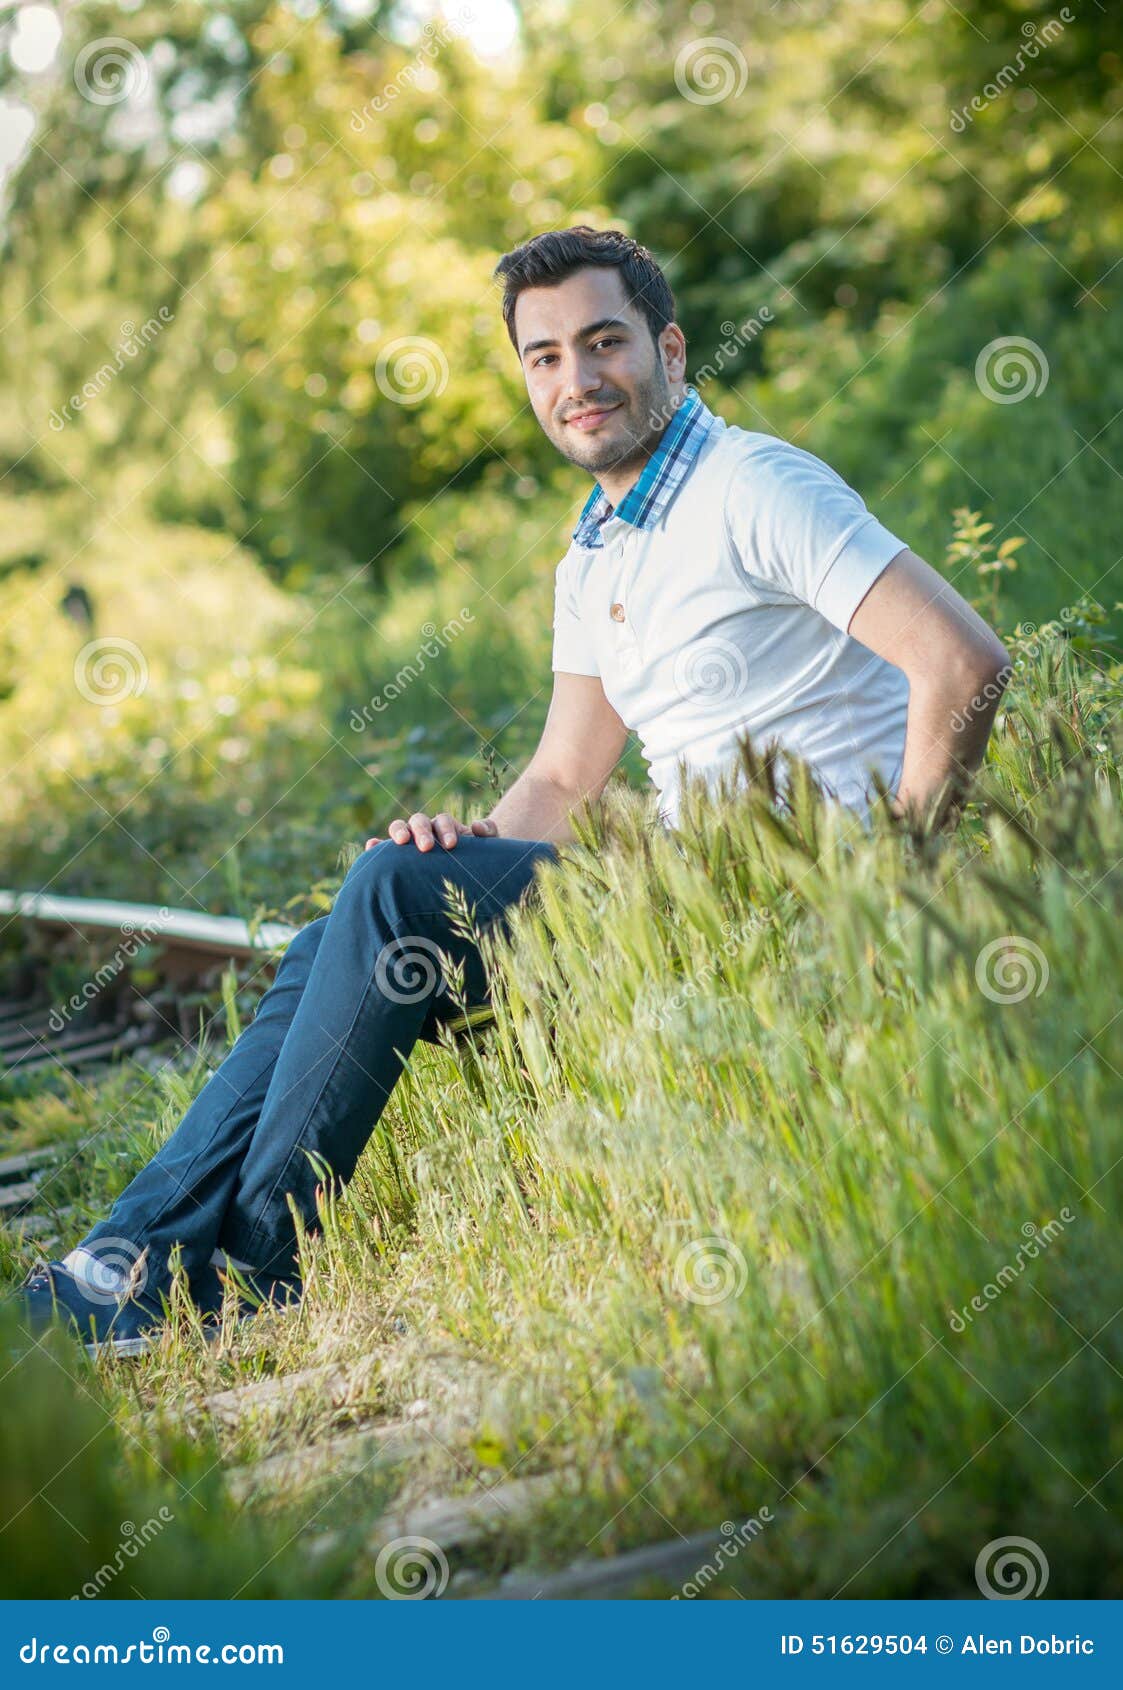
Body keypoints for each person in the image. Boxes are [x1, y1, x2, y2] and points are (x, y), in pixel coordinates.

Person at [17, 225, 1010, 1354]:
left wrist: (891, 890)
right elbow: (564, 776)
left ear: (669, 350)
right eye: (545, 356)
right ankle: (128, 1258)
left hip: (784, 913)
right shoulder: (595, 551)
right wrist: (465, 847)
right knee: (356, 915)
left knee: (386, 899)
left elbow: (963, 663)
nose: (577, 378)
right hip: (679, 914)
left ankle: (244, 1273)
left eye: (604, 342)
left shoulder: (753, 486)